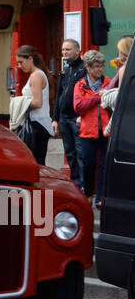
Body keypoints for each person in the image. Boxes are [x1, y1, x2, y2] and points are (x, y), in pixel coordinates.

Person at [73, 50, 111, 204]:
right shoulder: (80, 85)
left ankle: (100, 198)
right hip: (88, 131)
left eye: (101, 66)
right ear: (88, 67)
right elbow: (78, 107)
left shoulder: (108, 82)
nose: (99, 69)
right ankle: (88, 194)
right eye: (96, 66)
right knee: (88, 164)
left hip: (106, 130)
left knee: (104, 165)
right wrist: (98, 96)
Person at [51, 38, 86, 189]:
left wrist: (82, 114)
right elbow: (59, 94)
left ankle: (84, 185)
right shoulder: (66, 70)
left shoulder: (83, 69)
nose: (64, 52)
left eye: (68, 49)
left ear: (77, 51)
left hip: (76, 118)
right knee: (70, 152)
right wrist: (55, 119)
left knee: (80, 153)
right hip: (64, 118)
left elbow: (87, 94)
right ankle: (75, 182)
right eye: (63, 50)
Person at [14, 45, 55, 165]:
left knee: (35, 163)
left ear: (30, 58)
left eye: (21, 62)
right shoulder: (39, 74)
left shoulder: (36, 76)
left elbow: (37, 103)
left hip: (37, 125)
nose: (19, 66)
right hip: (39, 124)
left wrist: (16, 101)